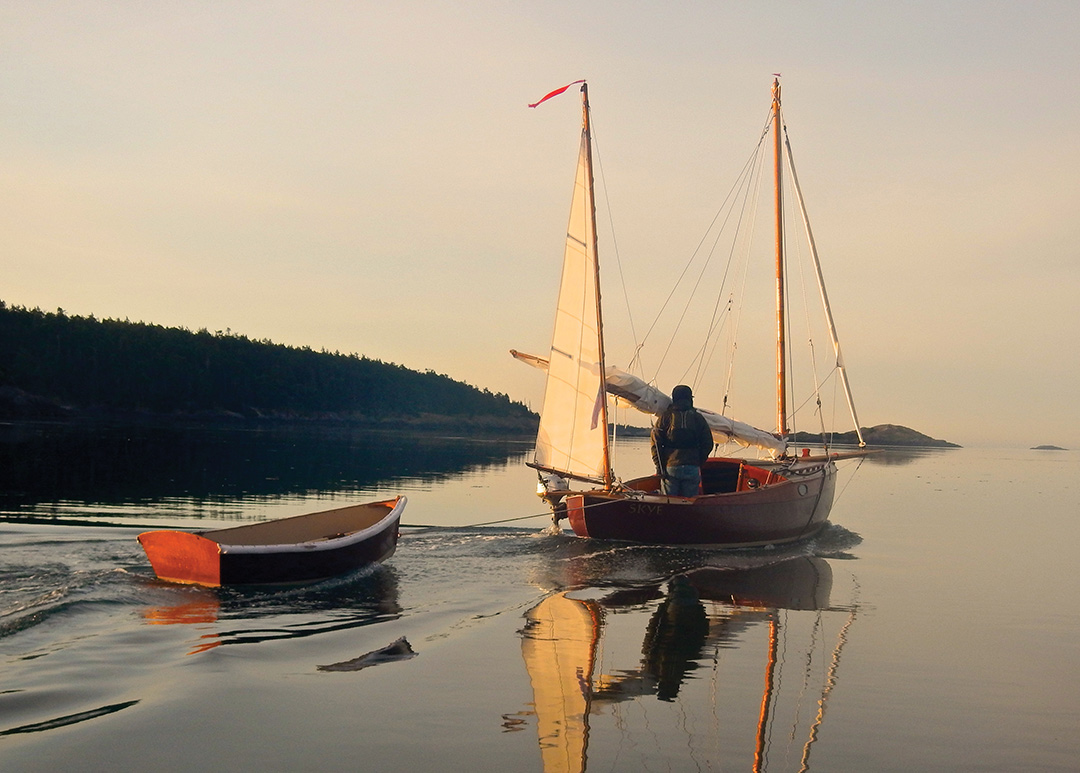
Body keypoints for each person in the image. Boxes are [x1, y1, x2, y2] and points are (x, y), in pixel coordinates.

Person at [651, 385, 715, 497]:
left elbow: (656, 443)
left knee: (668, 502)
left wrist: (659, 466)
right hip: (692, 467)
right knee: (689, 503)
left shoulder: (665, 417)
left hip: (671, 467)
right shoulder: (698, 418)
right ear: (690, 399)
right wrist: (698, 461)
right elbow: (708, 443)